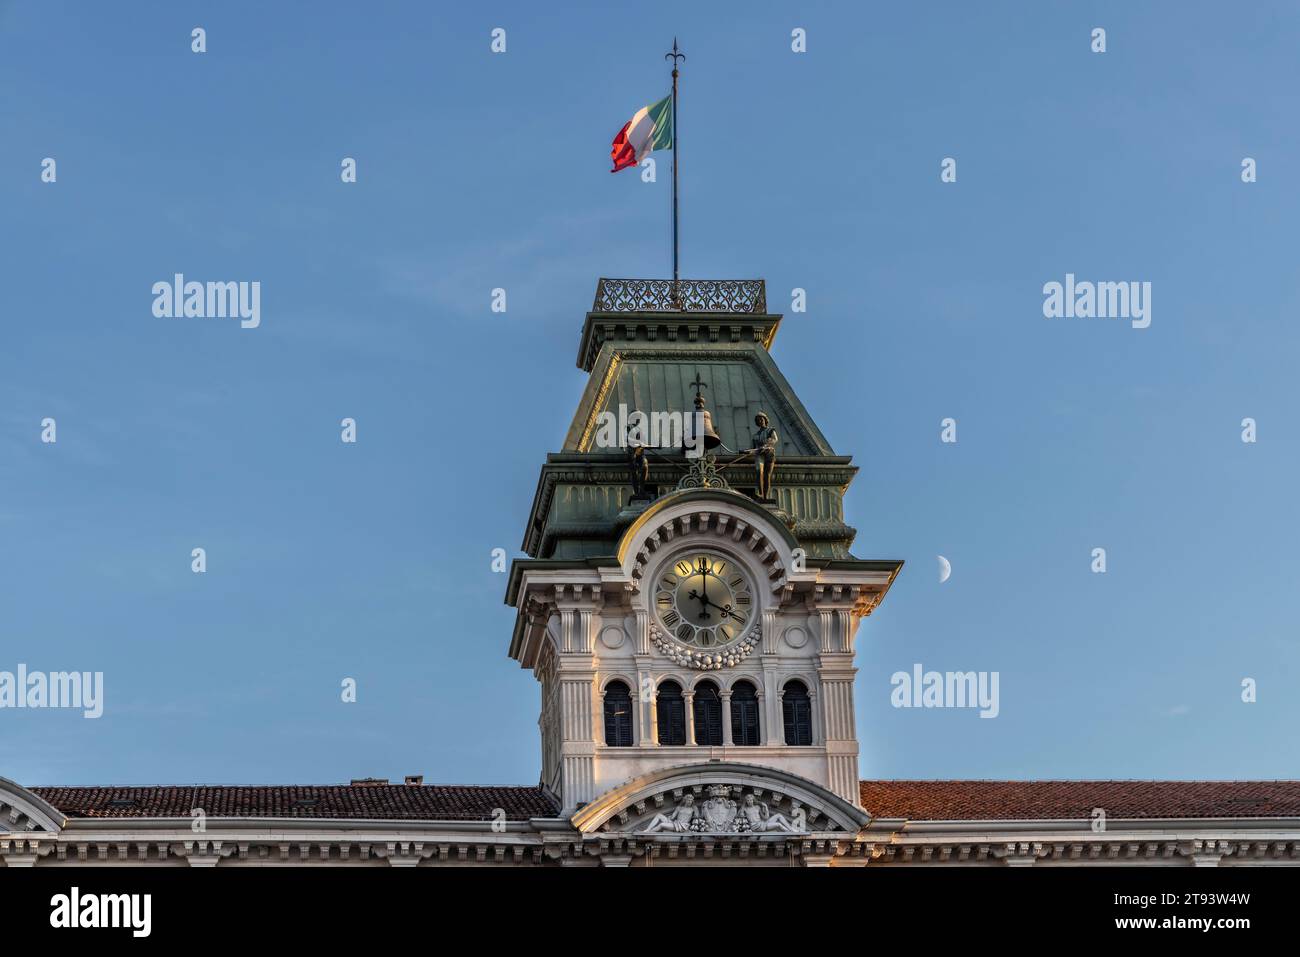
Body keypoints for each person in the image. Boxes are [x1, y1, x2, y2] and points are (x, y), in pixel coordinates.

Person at [751, 412, 778, 500]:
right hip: (759, 454)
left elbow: (774, 439)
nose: (760, 421)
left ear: (765, 420)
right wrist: (749, 451)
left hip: (769, 453)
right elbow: (753, 448)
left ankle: (766, 496)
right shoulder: (755, 436)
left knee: (767, 475)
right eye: (758, 420)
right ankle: (761, 493)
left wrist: (766, 445)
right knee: (760, 472)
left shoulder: (770, 430)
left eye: (761, 419)